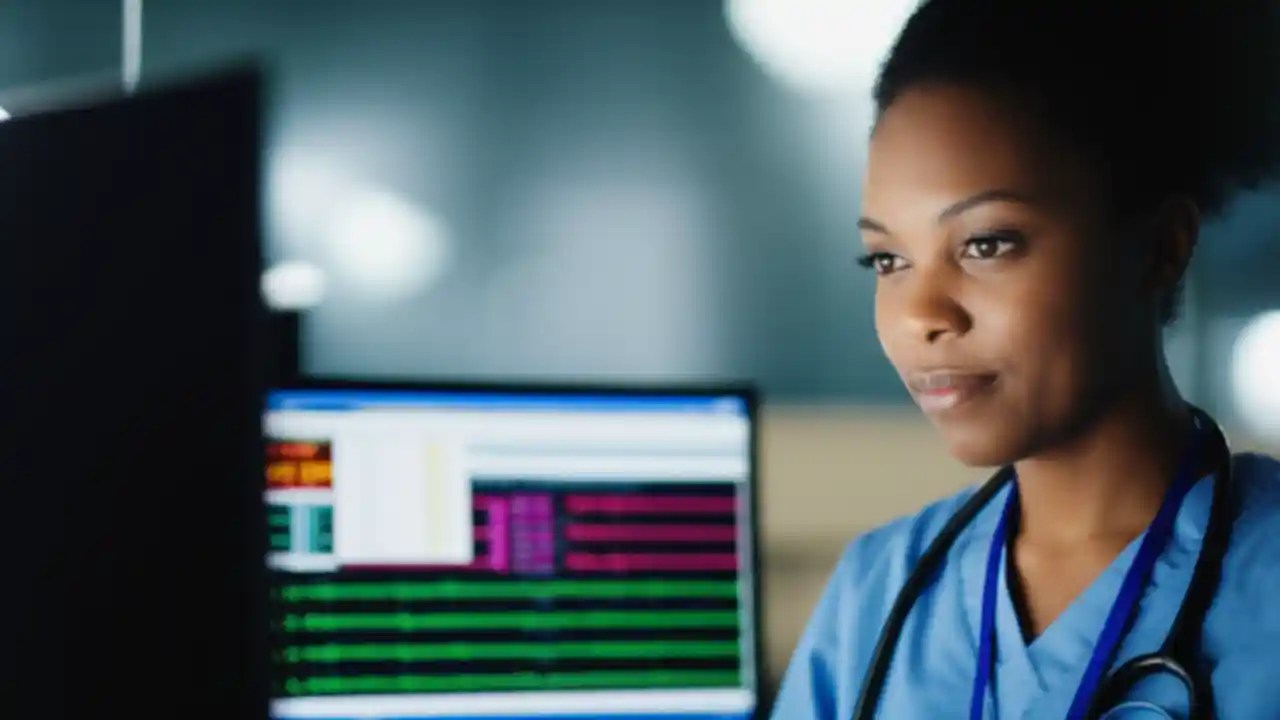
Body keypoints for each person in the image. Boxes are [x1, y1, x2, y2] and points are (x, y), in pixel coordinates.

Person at [770, 1, 1280, 718]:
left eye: (986, 244)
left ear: (1160, 248)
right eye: (888, 259)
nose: (922, 315)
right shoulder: (876, 594)